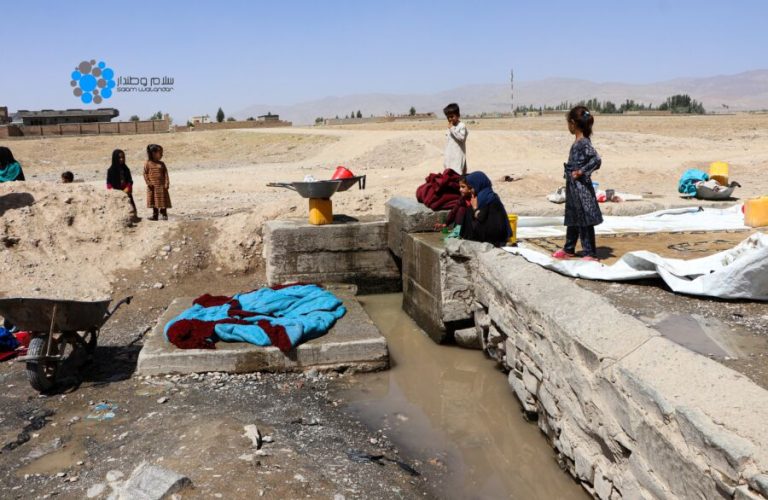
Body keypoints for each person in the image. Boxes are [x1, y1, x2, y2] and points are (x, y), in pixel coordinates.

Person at [552, 106, 603, 261]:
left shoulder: (583, 143)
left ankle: (589, 252)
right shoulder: (578, 142)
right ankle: (569, 249)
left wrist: (581, 171)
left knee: (584, 219)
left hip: (581, 189)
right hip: (574, 188)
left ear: (573, 123)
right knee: (573, 218)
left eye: (568, 123)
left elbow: (596, 159)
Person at [459, 171, 512, 246]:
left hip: (493, 237)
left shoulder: (486, 198)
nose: (471, 190)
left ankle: (468, 238)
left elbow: (481, 217)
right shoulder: (487, 195)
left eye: (472, 187)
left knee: (469, 211)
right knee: (469, 211)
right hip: (495, 234)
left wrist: (475, 208)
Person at [143, 144, 171, 221]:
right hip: (152, 187)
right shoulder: (147, 164)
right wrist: (148, 182)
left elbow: (165, 173)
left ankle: (164, 213)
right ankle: (155, 215)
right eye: (160, 153)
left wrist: (167, 182)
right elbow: (145, 174)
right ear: (153, 153)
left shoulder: (162, 164)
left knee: (163, 200)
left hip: (161, 186)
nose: (162, 154)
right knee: (154, 200)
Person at [106, 149, 137, 217]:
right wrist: (114, 192)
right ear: (115, 159)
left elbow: (130, 181)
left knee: (132, 212)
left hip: (126, 192)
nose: (122, 159)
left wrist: (127, 188)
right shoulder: (111, 171)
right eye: (119, 158)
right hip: (115, 194)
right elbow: (108, 183)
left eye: (123, 157)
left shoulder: (126, 169)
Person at [443, 102, 468, 175]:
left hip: (458, 156)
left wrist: (452, 129)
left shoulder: (461, 126)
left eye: (452, 116)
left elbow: (462, 138)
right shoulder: (450, 127)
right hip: (449, 156)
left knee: (458, 175)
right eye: (448, 117)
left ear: (458, 116)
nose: (450, 119)